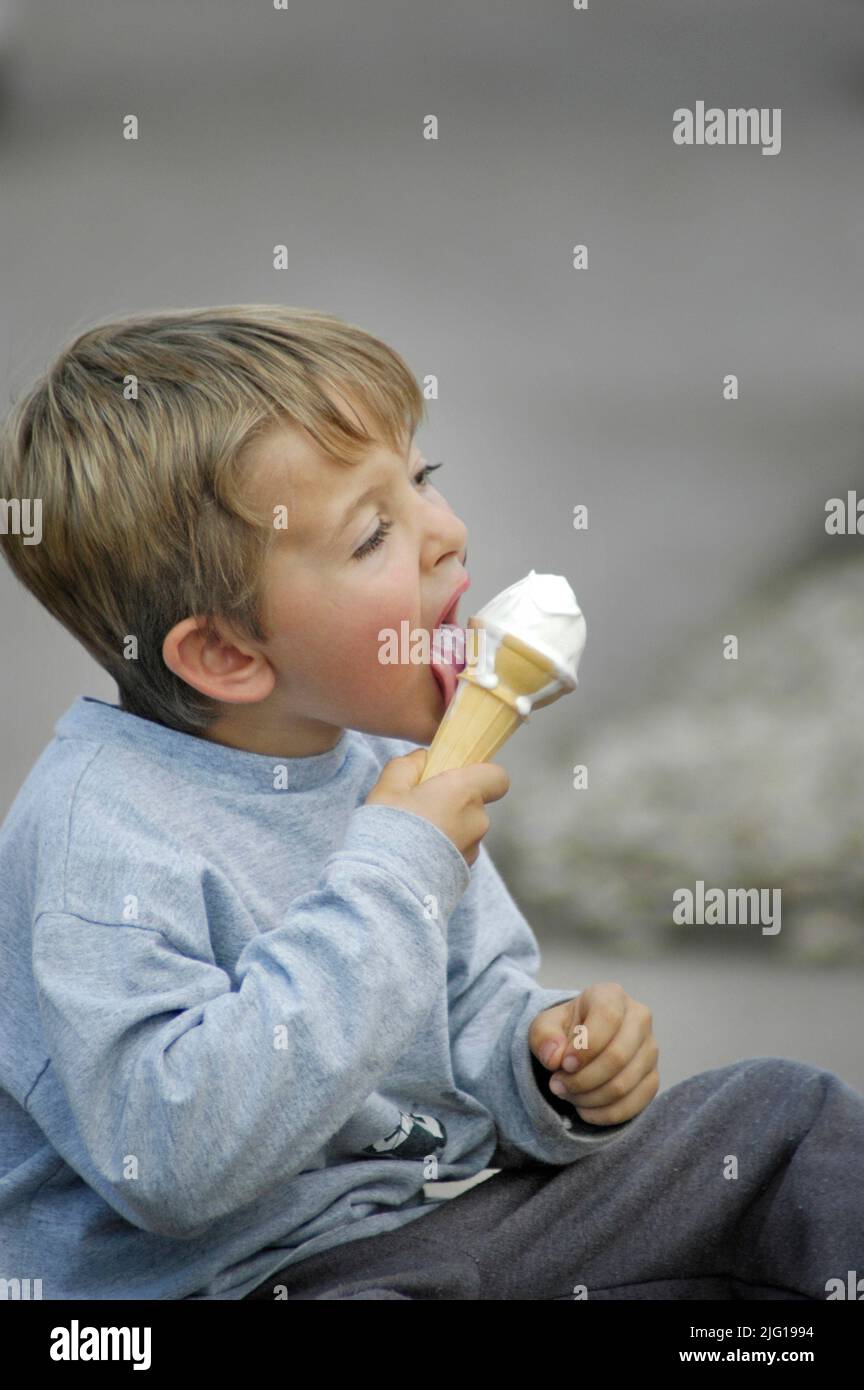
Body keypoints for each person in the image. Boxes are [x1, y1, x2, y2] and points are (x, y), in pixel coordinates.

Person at [0, 305, 860, 1301]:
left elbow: (471, 1026)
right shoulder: (99, 838)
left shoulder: (379, 767)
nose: (447, 536)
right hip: (223, 1285)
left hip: (429, 1228)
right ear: (229, 653)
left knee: (782, 1122)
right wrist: (392, 874)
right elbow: (176, 1161)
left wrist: (548, 1066)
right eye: (375, 533)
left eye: (422, 483)